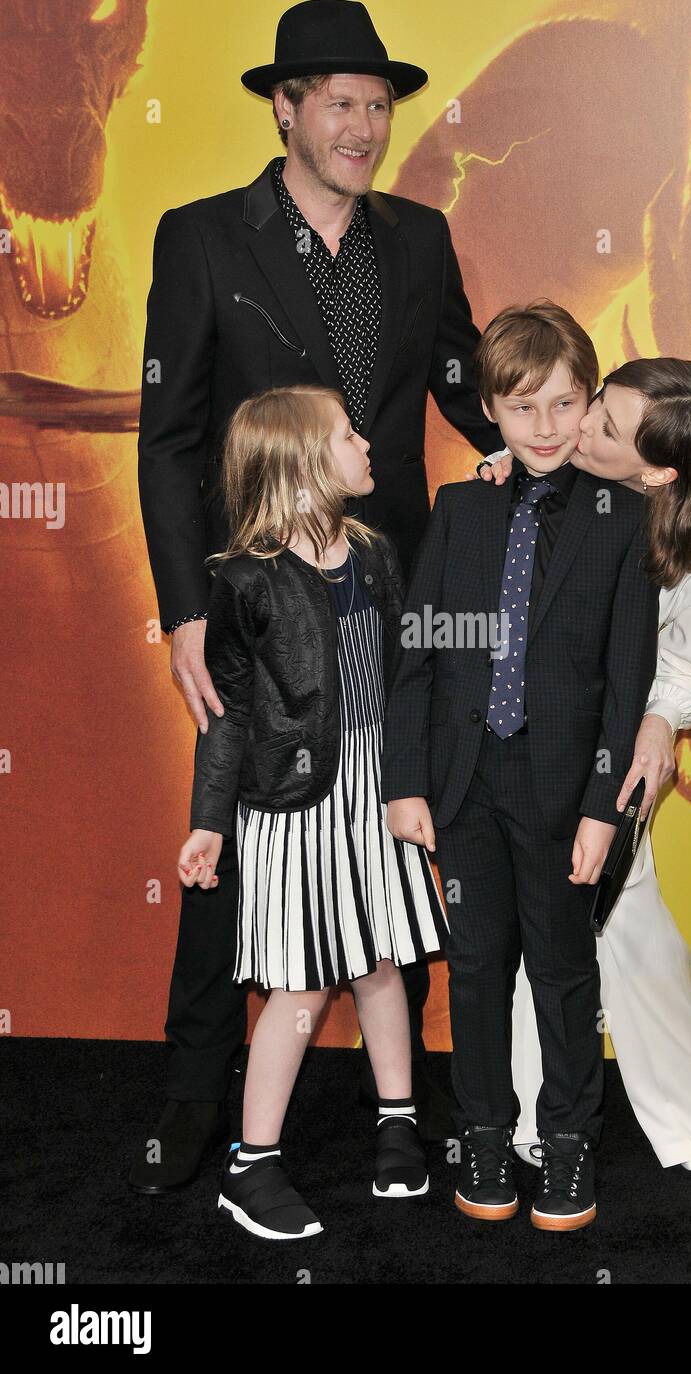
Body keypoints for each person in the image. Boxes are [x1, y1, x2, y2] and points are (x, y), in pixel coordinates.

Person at [133, 0, 509, 1193]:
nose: (363, 126)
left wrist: (526, 435)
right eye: (338, 103)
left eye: (378, 105)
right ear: (284, 108)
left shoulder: (420, 235)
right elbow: (168, 438)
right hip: (252, 602)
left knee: (397, 821)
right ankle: (201, 1097)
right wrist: (186, 609)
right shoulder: (199, 238)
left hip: (387, 592)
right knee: (242, 829)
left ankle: (408, 1101)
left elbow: (458, 373)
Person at [382, 301, 660, 1231]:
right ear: (491, 411)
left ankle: (569, 1144)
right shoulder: (460, 508)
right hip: (463, 787)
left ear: (588, 406)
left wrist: (602, 808)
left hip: (560, 795)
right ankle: (484, 1138)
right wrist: (404, 780)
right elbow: (416, 654)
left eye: (563, 405)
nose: (544, 428)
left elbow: (627, 684)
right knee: (474, 970)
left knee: (562, 972)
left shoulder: (625, 519)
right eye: (522, 408)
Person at [177, 383, 448, 1239]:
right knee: (299, 984)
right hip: (295, 803)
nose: (367, 444)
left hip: (377, 788)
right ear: (300, 468)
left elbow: (407, 673)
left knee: (378, 963)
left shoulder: (372, 552)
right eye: (345, 435)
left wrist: (419, 776)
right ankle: (250, 1165)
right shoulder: (244, 582)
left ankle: (398, 1121)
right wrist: (209, 822)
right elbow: (228, 714)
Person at [487, 358, 691, 1171]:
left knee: (607, 916)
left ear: (659, 471)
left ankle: (653, 1116)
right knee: (573, 918)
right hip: (538, 732)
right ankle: (546, 1118)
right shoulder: (558, 471)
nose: (576, 425)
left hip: (615, 746)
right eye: (596, 404)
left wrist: (653, 731)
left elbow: (680, 672)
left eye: (602, 427)